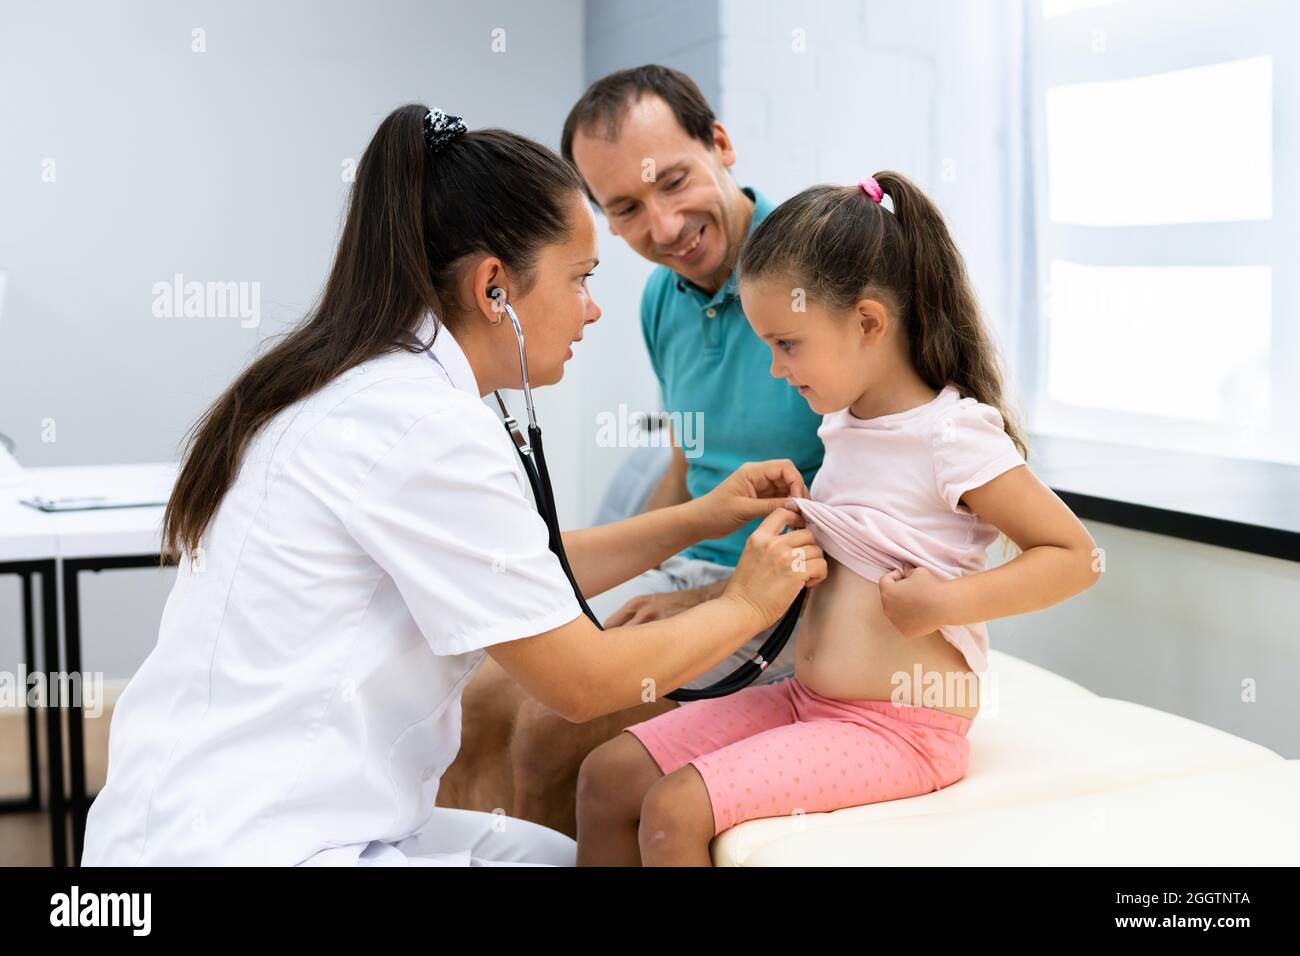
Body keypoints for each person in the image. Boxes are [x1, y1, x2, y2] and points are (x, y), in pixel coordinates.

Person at [80, 104, 824, 867]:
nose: (594, 308)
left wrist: (693, 519)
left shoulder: (364, 384)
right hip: (253, 841)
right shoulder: (420, 428)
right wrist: (747, 602)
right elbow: (582, 682)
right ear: (494, 289)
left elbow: (521, 564)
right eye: (581, 278)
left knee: (549, 855)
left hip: (242, 807)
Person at [577, 173, 1102, 865]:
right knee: (607, 777)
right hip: (805, 699)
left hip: (901, 728)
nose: (773, 367)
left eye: (787, 344)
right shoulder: (843, 422)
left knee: (675, 808)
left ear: (868, 322)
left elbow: (1073, 556)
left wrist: (946, 601)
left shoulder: (953, 433)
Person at [440, 65, 824, 838]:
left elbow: (883, 500)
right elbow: (689, 462)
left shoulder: (819, 270)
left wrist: (710, 600)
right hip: (703, 572)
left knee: (553, 728)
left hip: (801, 587)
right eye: (624, 209)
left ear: (720, 142)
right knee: (476, 698)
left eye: (674, 182)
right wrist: (646, 579)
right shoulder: (659, 299)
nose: (663, 226)